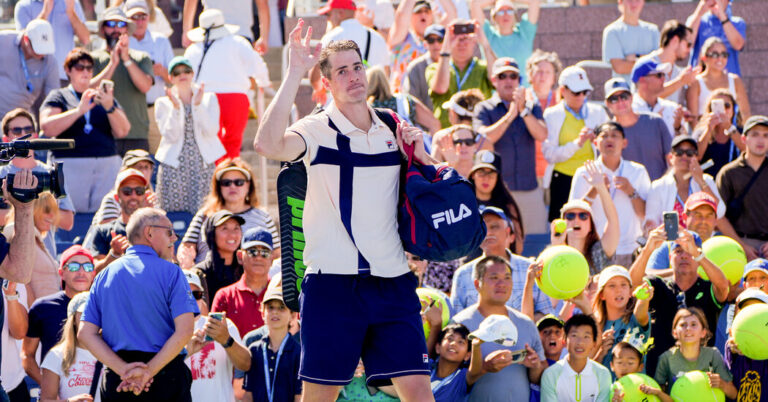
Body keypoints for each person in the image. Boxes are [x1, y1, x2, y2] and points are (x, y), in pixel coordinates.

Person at [254, 22, 437, 400]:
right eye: (341, 71)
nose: (353, 76)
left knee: (420, 393)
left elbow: (429, 186)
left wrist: (421, 155)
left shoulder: (392, 125)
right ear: (326, 83)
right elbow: (267, 144)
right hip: (332, 285)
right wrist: (294, 72)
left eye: (357, 67)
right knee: (319, 397)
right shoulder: (316, 129)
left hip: (393, 281)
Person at [78, 207, 198, 401]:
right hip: (166, 377)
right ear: (149, 233)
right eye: (169, 232)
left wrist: (123, 370)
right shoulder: (172, 272)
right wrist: (148, 371)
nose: (174, 238)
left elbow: (85, 333)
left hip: (119, 380)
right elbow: (185, 331)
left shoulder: (104, 275)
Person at [628, 226, 730, 377]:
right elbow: (631, 285)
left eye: (689, 251)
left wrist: (697, 254)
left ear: (698, 257)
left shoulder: (708, 288)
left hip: (699, 377)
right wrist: (647, 249)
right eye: (678, 251)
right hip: (659, 376)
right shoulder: (658, 285)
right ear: (670, 258)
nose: (684, 256)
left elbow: (723, 287)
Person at [39, 47, 130, 213]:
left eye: (89, 68)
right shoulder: (59, 95)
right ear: (68, 70)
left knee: (107, 215)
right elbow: (47, 128)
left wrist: (110, 107)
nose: (85, 72)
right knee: (66, 215)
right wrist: (78, 111)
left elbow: (123, 131)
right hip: (70, 164)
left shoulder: (103, 97)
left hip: (106, 164)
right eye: (80, 67)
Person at [451, 256, 545, 402]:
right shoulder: (460, 324)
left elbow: (540, 377)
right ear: (477, 284)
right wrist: (483, 368)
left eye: (507, 278)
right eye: (494, 277)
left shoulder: (526, 324)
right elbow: (447, 379)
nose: (502, 284)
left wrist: (535, 366)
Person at [184, 8, 269, 161]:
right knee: (233, 143)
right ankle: (230, 172)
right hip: (236, 99)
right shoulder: (238, 42)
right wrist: (264, 83)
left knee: (210, 144)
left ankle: (216, 174)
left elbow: (187, 77)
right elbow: (257, 65)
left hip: (205, 99)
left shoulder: (193, 49)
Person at [474, 57, 547, 235]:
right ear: (494, 80)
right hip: (497, 192)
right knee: (498, 239)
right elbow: (483, 140)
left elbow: (542, 135)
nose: (508, 80)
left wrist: (523, 111)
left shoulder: (531, 106)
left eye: (513, 76)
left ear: (519, 80)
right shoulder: (484, 108)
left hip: (529, 188)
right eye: (502, 76)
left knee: (536, 241)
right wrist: (511, 115)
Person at [569, 122, 650, 267]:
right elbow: (573, 216)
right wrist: (595, 189)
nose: (609, 139)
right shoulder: (584, 172)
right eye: (604, 136)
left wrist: (631, 191)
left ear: (624, 143)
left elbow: (645, 213)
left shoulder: (638, 171)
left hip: (630, 248)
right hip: (595, 249)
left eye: (614, 135)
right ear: (595, 143)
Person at [155, 56, 225, 215]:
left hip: (202, 164)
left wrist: (198, 106)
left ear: (192, 74)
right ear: (170, 78)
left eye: (186, 70)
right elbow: (170, 136)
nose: (182, 75)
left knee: (205, 212)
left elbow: (211, 131)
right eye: (177, 72)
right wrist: (175, 108)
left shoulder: (208, 98)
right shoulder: (163, 102)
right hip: (174, 165)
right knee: (173, 214)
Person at [178, 159, 279, 269]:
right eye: (226, 183)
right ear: (218, 187)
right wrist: (188, 265)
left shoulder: (263, 217)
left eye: (239, 182)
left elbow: (277, 254)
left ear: (248, 185)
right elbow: (186, 248)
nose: (232, 187)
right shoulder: (204, 215)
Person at [1, 108, 76, 252]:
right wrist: (35, 208)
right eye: (17, 130)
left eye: (28, 129)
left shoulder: (50, 173)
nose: (23, 134)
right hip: (10, 256)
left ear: (35, 135)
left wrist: (25, 206)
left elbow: (68, 221)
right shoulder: (1, 174)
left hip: (45, 254)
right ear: (5, 139)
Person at [451, 207, 551, 315]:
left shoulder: (530, 269)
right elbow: (455, 320)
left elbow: (546, 315)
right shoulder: (463, 274)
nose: (488, 233)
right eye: (483, 228)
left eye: (494, 227)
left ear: (508, 232)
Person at [542, 66, 609, 222]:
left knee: (593, 224)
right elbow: (549, 155)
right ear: (563, 90)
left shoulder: (598, 112)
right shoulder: (551, 115)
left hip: (591, 178)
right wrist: (577, 143)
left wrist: (597, 141)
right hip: (562, 180)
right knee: (561, 227)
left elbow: (610, 144)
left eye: (584, 92)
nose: (581, 96)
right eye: (576, 92)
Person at [22, 246, 95, 387]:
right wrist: (49, 388)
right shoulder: (43, 307)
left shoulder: (103, 307)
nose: (81, 272)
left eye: (87, 267)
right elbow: (27, 356)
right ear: (61, 272)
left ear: (93, 273)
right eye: (74, 267)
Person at [91, 6, 154, 154]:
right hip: (103, 134)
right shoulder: (92, 58)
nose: (116, 29)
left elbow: (145, 87)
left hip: (136, 134)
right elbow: (89, 90)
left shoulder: (141, 57)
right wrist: (112, 64)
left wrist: (126, 59)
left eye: (121, 24)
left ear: (126, 29)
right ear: (103, 29)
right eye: (110, 24)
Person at [183, 270, 251, 402]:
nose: (191, 300)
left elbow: (245, 364)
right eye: (185, 294)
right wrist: (185, 351)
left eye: (196, 295)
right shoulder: (163, 330)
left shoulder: (222, 325)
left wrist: (227, 340)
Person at [644, 135, 727, 232]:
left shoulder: (706, 180)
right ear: (670, 157)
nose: (684, 156)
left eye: (689, 153)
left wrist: (701, 181)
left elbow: (720, 211)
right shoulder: (658, 186)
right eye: (679, 152)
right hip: (670, 240)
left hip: (701, 239)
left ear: (696, 157)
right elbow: (651, 220)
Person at [125, 0, 174, 153]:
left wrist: (162, 71)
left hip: (156, 109)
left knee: (158, 156)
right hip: (131, 111)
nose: (139, 22)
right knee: (133, 157)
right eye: (134, 17)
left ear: (149, 17)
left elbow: (175, 78)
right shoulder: (122, 42)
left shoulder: (161, 40)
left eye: (143, 16)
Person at [654, 307, 736, 399]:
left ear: (703, 332)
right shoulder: (666, 358)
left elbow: (734, 394)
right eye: (683, 325)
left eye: (693, 324)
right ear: (674, 332)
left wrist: (721, 384)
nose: (688, 328)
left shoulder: (713, 355)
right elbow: (657, 396)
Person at [427, 19, 495, 128]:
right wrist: (446, 47)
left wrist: (485, 44)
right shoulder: (434, 68)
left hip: (477, 131)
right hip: (446, 133)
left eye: (466, 39)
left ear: (474, 41)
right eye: (457, 38)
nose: (461, 43)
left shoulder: (483, 67)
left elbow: (496, 79)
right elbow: (441, 88)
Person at [717, 115, 768, 260]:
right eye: (755, 134)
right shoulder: (729, 173)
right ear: (744, 139)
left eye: (766, 135)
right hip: (738, 245)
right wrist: (741, 246)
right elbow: (718, 215)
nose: (761, 140)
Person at [242, 277, 301, 402]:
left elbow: (299, 396)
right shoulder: (254, 349)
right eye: (270, 307)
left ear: (292, 315)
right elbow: (248, 394)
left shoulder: (298, 352)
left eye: (281, 307)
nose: (275, 312)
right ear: (262, 312)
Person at [554, 166, 620, 276]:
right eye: (570, 216)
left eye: (583, 216)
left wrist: (601, 187)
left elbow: (613, 221)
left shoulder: (598, 251)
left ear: (591, 225)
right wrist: (557, 245)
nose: (576, 220)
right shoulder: (556, 251)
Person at [603, 77, 672, 182]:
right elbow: (606, 172)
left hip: (659, 189)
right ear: (607, 104)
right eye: (614, 99)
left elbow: (673, 160)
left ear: (631, 98)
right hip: (625, 191)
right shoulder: (606, 135)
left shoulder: (656, 122)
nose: (620, 102)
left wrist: (662, 186)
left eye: (624, 96)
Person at [83, 168, 150, 273]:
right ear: (117, 196)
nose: (133, 196)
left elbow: (170, 261)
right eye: (127, 191)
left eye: (139, 191)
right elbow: (94, 272)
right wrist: (114, 254)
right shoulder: (103, 231)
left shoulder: (156, 229)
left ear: (145, 195)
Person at [591, 266, 652, 378]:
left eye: (623, 285)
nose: (619, 290)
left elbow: (640, 312)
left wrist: (644, 299)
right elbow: (587, 371)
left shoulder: (635, 320)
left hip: (635, 388)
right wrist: (601, 351)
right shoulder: (594, 327)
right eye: (612, 286)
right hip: (605, 389)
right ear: (602, 295)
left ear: (630, 292)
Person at [211, 228, 273, 338]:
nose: (259, 258)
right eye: (252, 252)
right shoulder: (224, 297)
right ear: (240, 256)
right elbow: (213, 339)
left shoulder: (283, 295)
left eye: (265, 253)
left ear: (272, 259)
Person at [39, 292, 99, 402]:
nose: (90, 319)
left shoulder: (113, 352)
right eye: (84, 314)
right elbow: (46, 399)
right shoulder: (56, 355)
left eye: (95, 313)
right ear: (73, 319)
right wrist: (69, 401)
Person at [540, 314, 612, 402]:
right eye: (574, 335)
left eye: (586, 337)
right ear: (564, 340)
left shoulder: (603, 374)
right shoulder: (550, 374)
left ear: (594, 343)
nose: (580, 342)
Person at [14, 0, 89, 83]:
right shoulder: (23, 6)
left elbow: (85, 39)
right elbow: (24, 42)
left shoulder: (72, 3)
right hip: (36, 77)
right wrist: (45, 12)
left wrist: (71, 13)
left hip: (64, 77)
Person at [3, 192, 60, 302]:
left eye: (54, 211)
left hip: (46, 308)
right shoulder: (15, 233)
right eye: (47, 210)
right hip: (35, 310)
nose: (52, 216)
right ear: (32, 209)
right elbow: (20, 280)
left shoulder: (35, 239)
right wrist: (32, 309)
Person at [388, 0, 455, 91]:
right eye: (418, 11)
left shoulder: (439, 37)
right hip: (403, 94)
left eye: (427, 11)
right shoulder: (401, 38)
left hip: (432, 93)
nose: (423, 14)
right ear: (410, 16)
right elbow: (401, 15)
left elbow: (452, 14)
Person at [469, 0, 540, 86]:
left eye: (510, 11)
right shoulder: (488, 35)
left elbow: (534, 2)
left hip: (523, 91)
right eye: (501, 12)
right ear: (494, 17)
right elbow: (475, 4)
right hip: (495, 91)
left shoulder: (525, 34)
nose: (506, 14)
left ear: (514, 16)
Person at [467, 150, 524, 254]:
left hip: (499, 261)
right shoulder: (463, 204)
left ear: (498, 177)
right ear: (473, 175)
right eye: (481, 173)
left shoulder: (507, 205)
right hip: (469, 261)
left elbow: (518, 243)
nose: (486, 179)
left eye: (491, 174)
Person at [0, 20, 60, 119]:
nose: (41, 53)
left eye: (45, 49)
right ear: (26, 39)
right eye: (37, 48)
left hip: (20, 119)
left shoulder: (50, 61)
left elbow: (53, 97)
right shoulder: (3, 41)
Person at [646, 191, 720, 270]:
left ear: (716, 220)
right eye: (698, 215)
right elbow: (650, 274)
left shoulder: (721, 246)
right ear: (685, 217)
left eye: (708, 216)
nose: (703, 220)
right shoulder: (668, 246)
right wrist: (683, 272)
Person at [687, 37, 750, 122]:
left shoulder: (735, 80)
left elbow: (745, 113)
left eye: (724, 54)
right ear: (704, 57)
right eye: (715, 54)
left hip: (730, 129)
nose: (720, 58)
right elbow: (693, 119)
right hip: (704, 129)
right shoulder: (696, 82)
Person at [366, 66, 441, 134]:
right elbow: (434, 123)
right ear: (386, 81)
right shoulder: (406, 101)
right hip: (408, 143)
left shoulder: (367, 108)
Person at [191, 210, 244, 304]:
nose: (232, 234)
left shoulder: (246, 271)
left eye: (236, 228)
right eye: (224, 228)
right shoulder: (200, 274)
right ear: (211, 234)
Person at [90, 149, 157, 226]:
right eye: (139, 167)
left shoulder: (153, 200)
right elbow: (108, 230)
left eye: (146, 167)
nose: (144, 172)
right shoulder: (112, 199)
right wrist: (142, 212)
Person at [638, 20, 697, 105]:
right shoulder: (645, 64)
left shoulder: (678, 72)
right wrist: (680, 81)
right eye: (688, 44)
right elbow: (648, 97)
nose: (690, 49)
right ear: (675, 40)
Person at [725, 289, 768, 401]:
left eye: (756, 308)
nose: (751, 314)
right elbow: (731, 349)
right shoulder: (733, 344)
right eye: (746, 309)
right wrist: (733, 349)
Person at [526, 50, 562, 184]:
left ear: (554, 78)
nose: (543, 76)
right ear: (530, 75)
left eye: (548, 72)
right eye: (539, 71)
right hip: (528, 170)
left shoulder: (561, 100)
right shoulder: (521, 99)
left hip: (555, 169)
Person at [182, 0, 270, 53]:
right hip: (242, 34)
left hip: (212, 34)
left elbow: (191, 2)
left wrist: (187, 32)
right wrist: (264, 37)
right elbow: (262, 4)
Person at [601, 0, 659, 79]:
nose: (634, 3)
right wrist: (649, 61)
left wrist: (636, 57)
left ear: (643, 2)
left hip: (652, 86)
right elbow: (619, 67)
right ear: (620, 1)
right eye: (629, 0)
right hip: (625, 86)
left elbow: (660, 61)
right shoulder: (612, 31)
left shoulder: (653, 30)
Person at [693, 89, 745, 176]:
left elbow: (747, 150)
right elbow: (696, 157)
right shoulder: (701, 132)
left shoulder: (740, 131)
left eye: (727, 105)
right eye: (716, 105)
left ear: (733, 109)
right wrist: (709, 130)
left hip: (735, 180)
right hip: (707, 180)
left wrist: (729, 128)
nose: (723, 110)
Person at [687, 0, 746, 77]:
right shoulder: (697, 20)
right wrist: (700, 12)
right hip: (700, 79)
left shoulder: (737, 22)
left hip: (727, 79)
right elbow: (687, 44)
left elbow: (738, 45)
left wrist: (722, 15)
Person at [429, 323, 485, 401]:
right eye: (450, 339)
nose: (454, 344)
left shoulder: (462, 377)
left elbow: (475, 372)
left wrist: (476, 346)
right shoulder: (426, 367)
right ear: (438, 347)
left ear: (467, 355)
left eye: (461, 342)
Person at [630, 59, 685, 137]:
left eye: (663, 75)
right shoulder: (629, 110)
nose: (664, 79)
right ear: (642, 80)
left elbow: (684, 141)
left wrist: (678, 128)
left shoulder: (673, 108)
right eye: (659, 75)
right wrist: (652, 123)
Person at [430, 89, 487, 157]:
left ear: (452, 112)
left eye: (448, 111)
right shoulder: (484, 140)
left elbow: (434, 163)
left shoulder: (441, 137)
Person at [403, 24, 445, 111]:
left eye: (440, 40)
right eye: (431, 40)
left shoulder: (453, 64)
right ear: (425, 44)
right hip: (423, 119)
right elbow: (412, 101)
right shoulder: (415, 68)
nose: (436, 44)